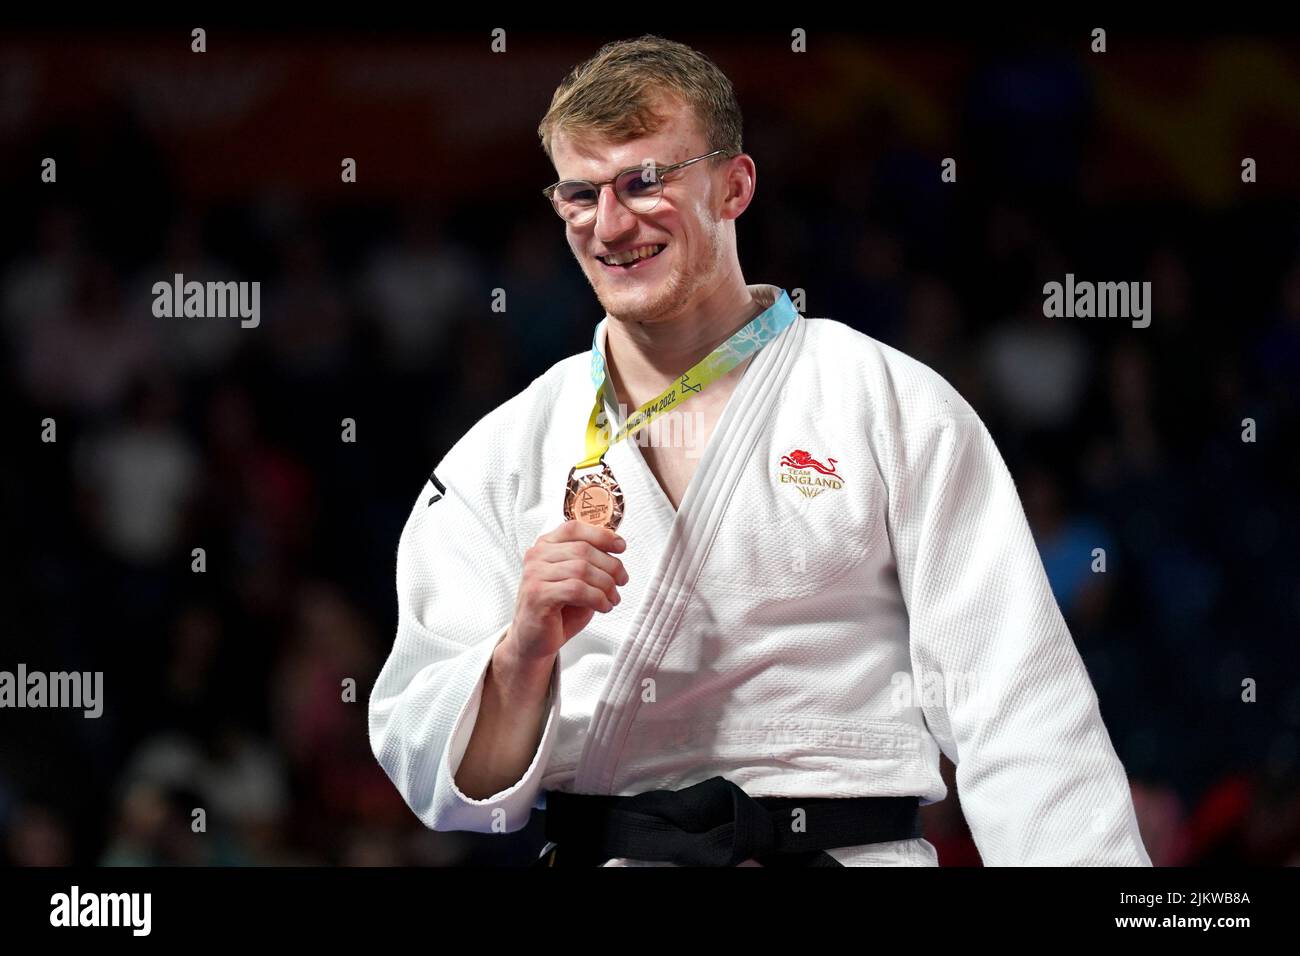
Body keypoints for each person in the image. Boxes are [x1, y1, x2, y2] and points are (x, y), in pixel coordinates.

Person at [367, 34, 1152, 867]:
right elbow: (440, 783)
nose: (611, 223)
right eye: (580, 193)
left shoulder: (888, 403)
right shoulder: (505, 451)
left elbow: (1017, 706)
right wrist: (520, 656)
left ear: (734, 185)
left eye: (644, 181)